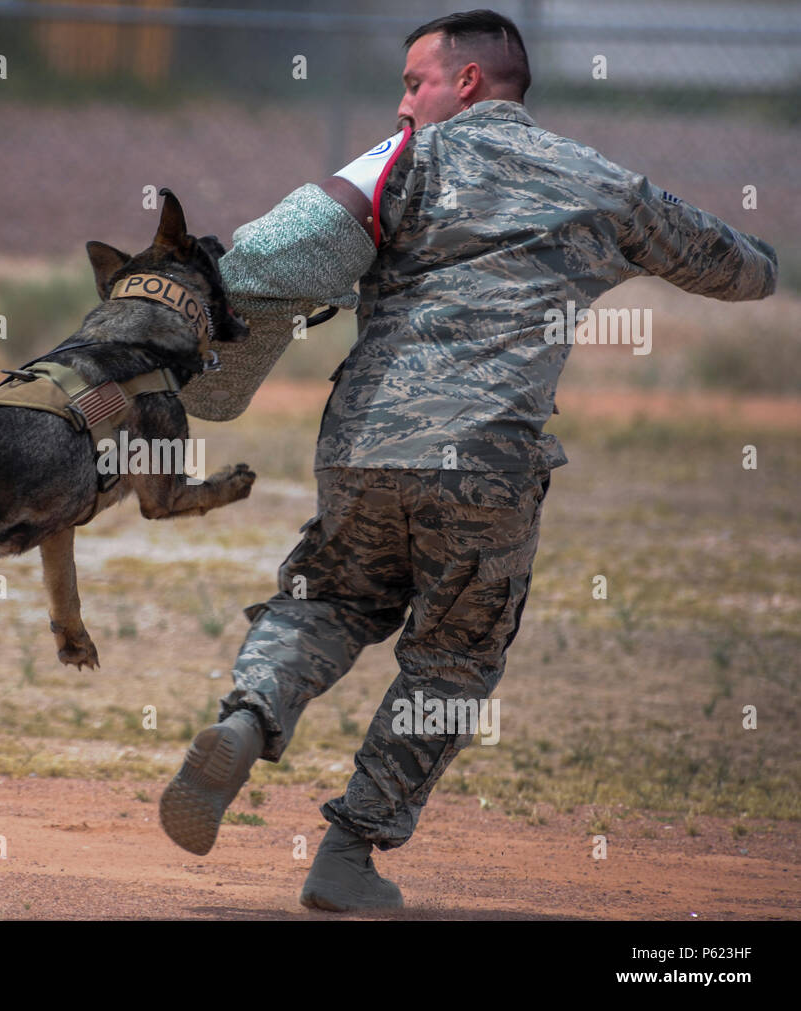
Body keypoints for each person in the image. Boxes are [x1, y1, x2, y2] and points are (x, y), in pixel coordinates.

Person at [160, 8, 778, 911]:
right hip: (489, 457)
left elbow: (286, 246)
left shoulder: (403, 160)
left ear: (469, 82)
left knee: (330, 596)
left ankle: (249, 718)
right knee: (452, 661)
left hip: (365, 443)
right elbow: (732, 266)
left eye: (415, 83)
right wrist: (768, 262)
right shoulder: (603, 182)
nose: (403, 103)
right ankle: (348, 853)